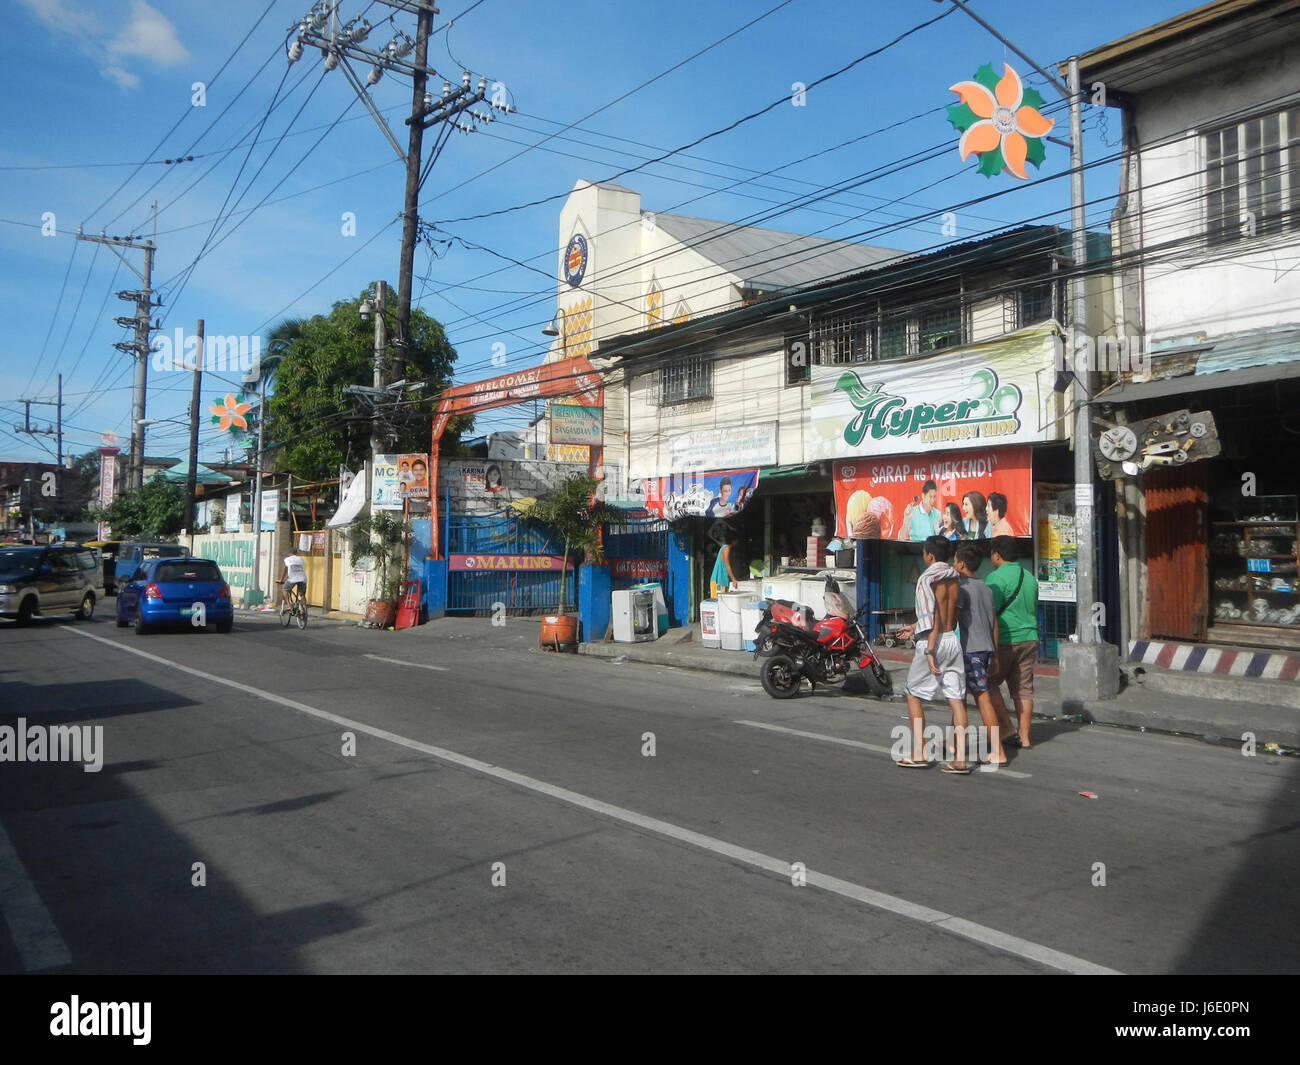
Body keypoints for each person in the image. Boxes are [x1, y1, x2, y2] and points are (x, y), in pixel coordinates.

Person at [894, 535, 971, 773]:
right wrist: (915, 627)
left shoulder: (927, 579)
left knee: (912, 693)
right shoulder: (954, 577)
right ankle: (960, 759)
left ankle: (919, 753)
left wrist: (928, 650)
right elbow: (948, 617)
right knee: (956, 699)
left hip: (933, 641)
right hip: (951, 640)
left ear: (929, 555)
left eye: (924, 553)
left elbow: (933, 619)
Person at [953, 545, 1006, 767]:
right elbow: (994, 623)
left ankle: (998, 751)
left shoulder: (961, 588)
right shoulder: (985, 587)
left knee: (981, 698)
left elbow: (952, 620)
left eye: (954, 561)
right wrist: (995, 653)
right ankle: (955, 744)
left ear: (961, 564)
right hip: (985, 648)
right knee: (957, 697)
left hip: (971, 649)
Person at [985, 536, 1040, 749]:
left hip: (1005, 640)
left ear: (997, 555)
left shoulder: (995, 578)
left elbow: (989, 612)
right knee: (1023, 688)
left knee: (988, 683)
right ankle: (1024, 736)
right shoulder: (1029, 577)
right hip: (1029, 637)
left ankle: (1007, 728)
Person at [710, 528, 741, 597]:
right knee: (719, 601)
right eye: (737, 540)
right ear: (733, 540)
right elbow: (727, 565)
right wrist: (733, 579)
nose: (738, 542)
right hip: (718, 580)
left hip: (721, 580)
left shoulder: (726, 548)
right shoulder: (726, 549)